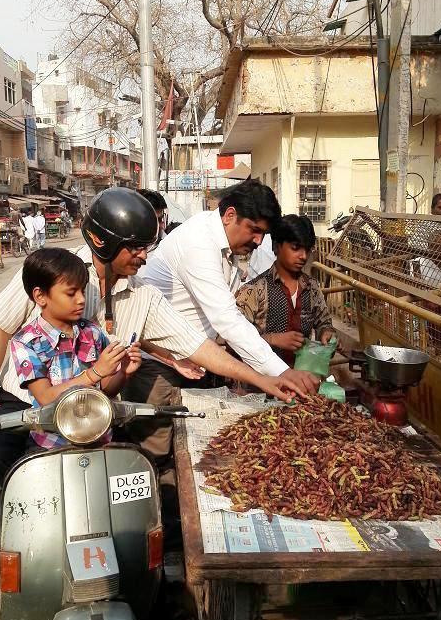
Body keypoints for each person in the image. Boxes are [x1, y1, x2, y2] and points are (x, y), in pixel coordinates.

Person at [0, 187, 303, 571]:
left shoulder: (143, 297)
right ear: (102, 242)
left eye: (147, 246)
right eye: (136, 247)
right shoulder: (51, 271)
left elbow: (199, 348)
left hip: (95, 412)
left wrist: (266, 377)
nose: (144, 256)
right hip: (25, 402)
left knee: (135, 489)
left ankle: (142, 580)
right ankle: (2, 561)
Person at [132, 179, 320, 460]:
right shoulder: (198, 241)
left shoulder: (229, 248)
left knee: (194, 447)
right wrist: (279, 371)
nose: (258, 241)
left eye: (263, 234)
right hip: (160, 365)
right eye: (254, 230)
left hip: (198, 358)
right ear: (230, 215)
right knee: (158, 451)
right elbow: (226, 318)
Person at [10, 249, 141, 450]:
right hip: (52, 445)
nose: (81, 299)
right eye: (71, 293)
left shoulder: (92, 332)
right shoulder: (26, 342)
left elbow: (105, 389)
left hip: (99, 438)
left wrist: (123, 372)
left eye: (82, 291)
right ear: (40, 296)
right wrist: (95, 372)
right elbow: (45, 397)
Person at [236, 215, 336, 366]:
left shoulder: (312, 288)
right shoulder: (254, 290)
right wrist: (272, 339)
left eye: (307, 250)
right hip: (261, 382)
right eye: (295, 248)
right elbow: (234, 341)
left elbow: (324, 323)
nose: (303, 256)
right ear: (276, 246)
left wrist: (327, 334)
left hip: (301, 378)